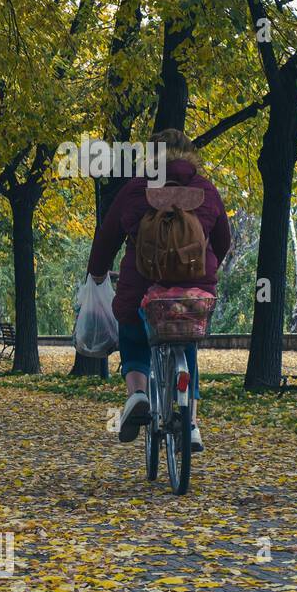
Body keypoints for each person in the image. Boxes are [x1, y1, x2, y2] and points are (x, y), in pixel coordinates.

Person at [86, 128, 231, 451]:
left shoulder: (135, 189)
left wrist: (96, 274)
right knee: (185, 339)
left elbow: (107, 236)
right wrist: (204, 272)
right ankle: (190, 424)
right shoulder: (205, 189)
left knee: (133, 332)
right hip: (189, 295)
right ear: (189, 154)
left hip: (142, 288)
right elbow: (223, 241)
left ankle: (137, 394)